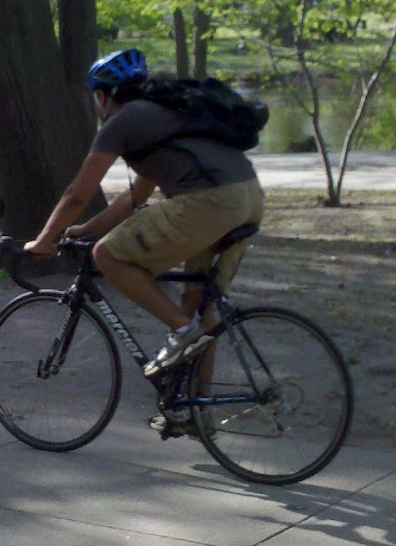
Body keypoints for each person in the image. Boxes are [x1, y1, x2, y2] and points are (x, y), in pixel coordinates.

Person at [24, 48, 265, 377]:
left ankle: (181, 331)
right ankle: (196, 414)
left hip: (212, 201)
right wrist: (86, 228)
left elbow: (77, 194)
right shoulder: (166, 113)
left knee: (108, 255)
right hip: (249, 197)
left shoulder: (123, 121)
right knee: (199, 307)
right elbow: (136, 195)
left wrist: (43, 240)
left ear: (102, 94)